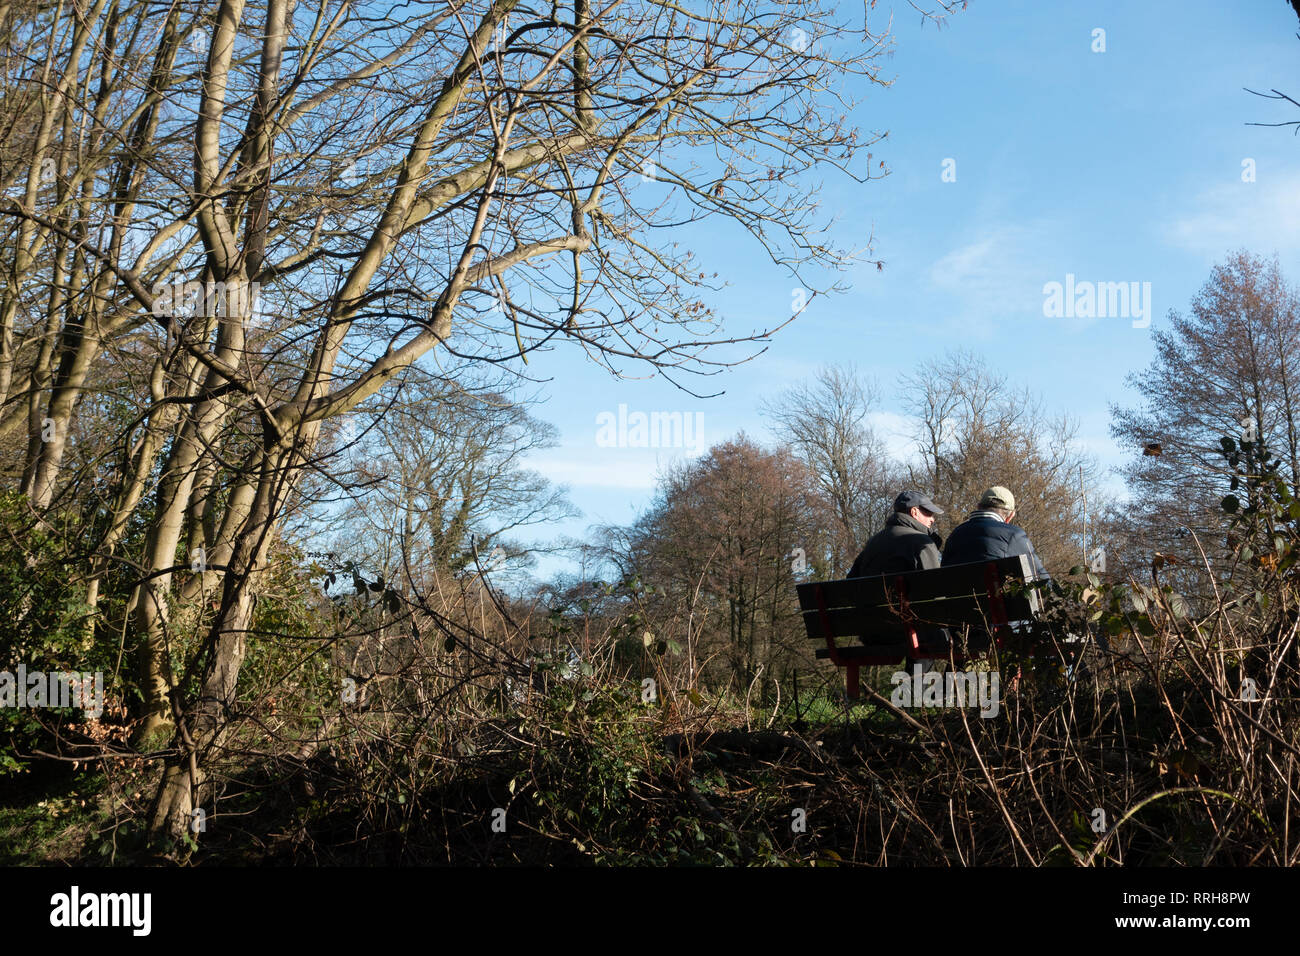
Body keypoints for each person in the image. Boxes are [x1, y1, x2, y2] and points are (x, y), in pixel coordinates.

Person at [941, 486, 1050, 582]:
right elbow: (1043, 581)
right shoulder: (1014, 535)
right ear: (1010, 516)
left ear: (979, 507)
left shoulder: (955, 535)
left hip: (958, 605)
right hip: (996, 605)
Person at [848, 491, 945, 578]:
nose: (932, 519)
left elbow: (851, 582)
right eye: (928, 513)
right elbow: (934, 588)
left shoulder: (872, 543)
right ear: (914, 512)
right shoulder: (923, 543)